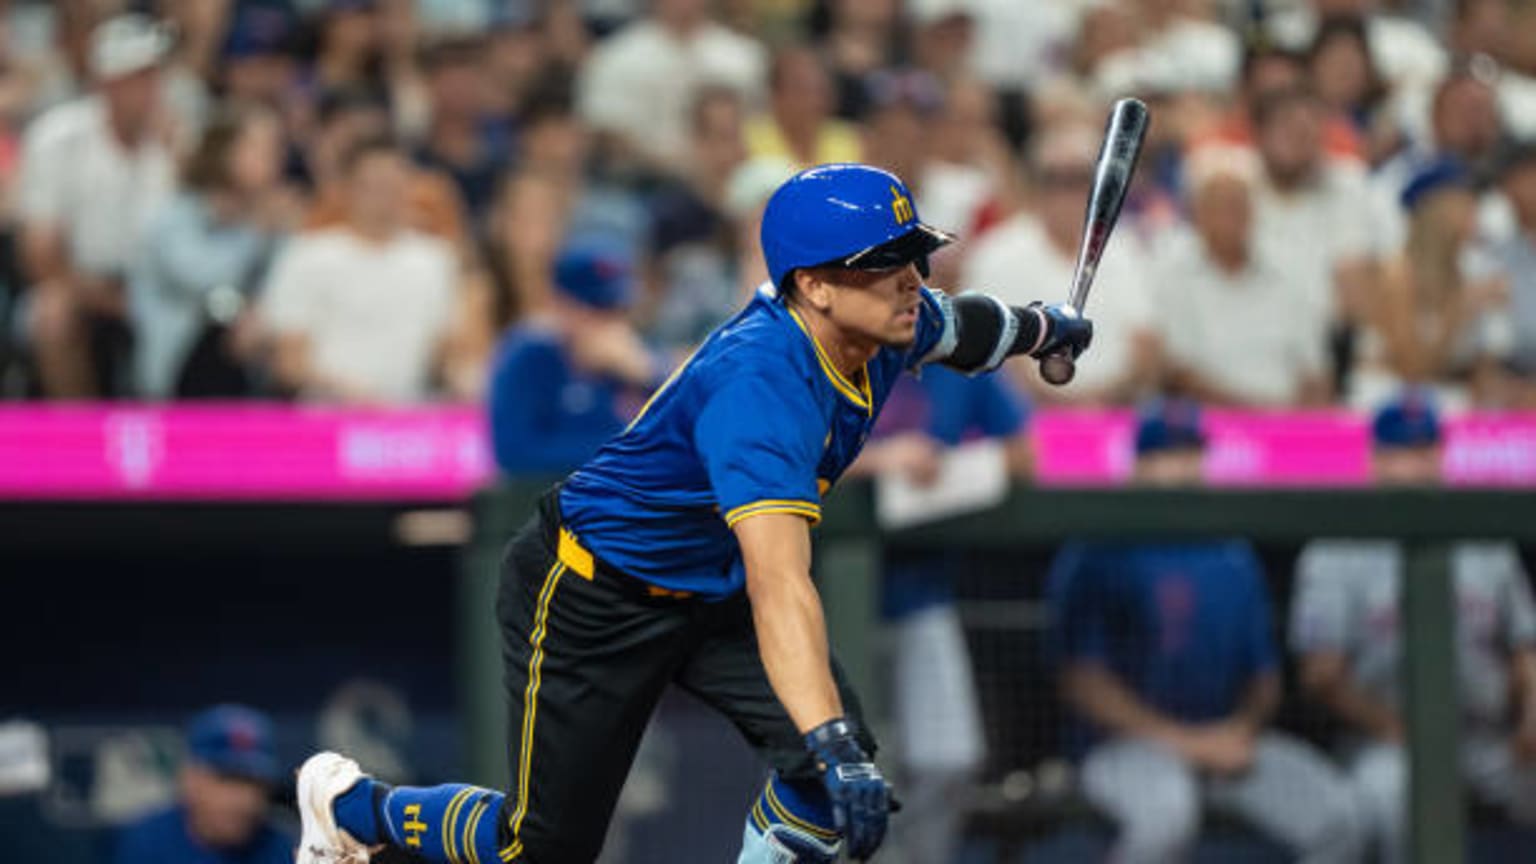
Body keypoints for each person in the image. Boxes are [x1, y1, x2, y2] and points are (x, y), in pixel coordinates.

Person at [293, 162, 1093, 864]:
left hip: (708, 587)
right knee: (538, 848)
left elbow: (968, 326)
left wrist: (1045, 328)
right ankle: (351, 807)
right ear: (813, 285)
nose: (911, 277)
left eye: (914, 256)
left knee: (824, 786)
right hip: (595, 593)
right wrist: (831, 738)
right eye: (883, 265)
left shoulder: (889, 320)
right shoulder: (761, 387)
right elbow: (779, 582)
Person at [1048, 400, 1363, 864]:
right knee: (1167, 818)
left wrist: (1240, 729)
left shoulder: (1231, 553)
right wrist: (1189, 743)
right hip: (1122, 750)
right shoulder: (1098, 549)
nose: (1181, 468)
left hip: (1223, 743)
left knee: (1340, 816)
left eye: (1190, 453)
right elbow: (1082, 682)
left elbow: (1263, 677)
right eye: (1166, 456)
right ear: (1140, 465)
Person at [1290, 393, 1536, 864]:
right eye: (1400, 453)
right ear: (1374, 460)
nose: (1416, 466)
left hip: (1486, 738)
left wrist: (1531, 712)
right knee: (1387, 801)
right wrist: (1401, 729)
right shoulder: (1335, 547)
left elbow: (1526, 642)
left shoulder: (1484, 534)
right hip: (1387, 741)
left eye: (1425, 451)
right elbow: (1320, 676)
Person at [846, 346, 1031, 864]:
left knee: (949, 759)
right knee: (833, 771)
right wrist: (880, 461)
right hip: (817, 600)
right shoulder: (826, 346)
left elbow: (1025, 453)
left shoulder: (960, 349)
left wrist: (947, 471)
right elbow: (774, 451)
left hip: (920, 591)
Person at [17, 12, 177, 397]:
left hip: (154, 287)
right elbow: (40, 254)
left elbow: (182, 241)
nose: (152, 88)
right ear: (108, 82)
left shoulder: (171, 144)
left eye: (155, 75)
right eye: (139, 76)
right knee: (52, 315)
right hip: (78, 284)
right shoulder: (59, 138)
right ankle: (80, 439)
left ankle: (174, 441)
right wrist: (107, 299)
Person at [261, 137, 465, 403]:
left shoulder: (435, 261)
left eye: (395, 185)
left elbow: (445, 352)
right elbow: (289, 363)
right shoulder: (309, 255)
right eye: (374, 186)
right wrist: (345, 390)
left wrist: (460, 374)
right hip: (326, 415)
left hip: (408, 420)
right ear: (348, 188)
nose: (386, 197)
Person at [129, 106, 292, 400]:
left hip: (252, 353)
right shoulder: (175, 216)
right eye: (258, 148)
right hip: (180, 361)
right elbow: (208, 281)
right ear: (224, 152)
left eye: (276, 148)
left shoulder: (273, 219)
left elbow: (287, 285)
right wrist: (257, 233)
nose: (273, 159)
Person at [1153, 147, 1331, 406]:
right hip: (1208, 423)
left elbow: (1314, 370)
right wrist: (1257, 412)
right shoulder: (1173, 273)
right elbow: (1178, 374)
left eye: (1237, 204)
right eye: (1218, 206)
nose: (1229, 217)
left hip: (1288, 420)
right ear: (1197, 213)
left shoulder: (1291, 272)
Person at [487, 240, 664, 475]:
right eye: (596, 308)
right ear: (559, 304)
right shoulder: (528, 357)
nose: (609, 320)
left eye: (617, 309)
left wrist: (649, 377)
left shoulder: (636, 356)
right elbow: (515, 452)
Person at [114, 705, 291, 864]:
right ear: (190, 779)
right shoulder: (148, 843)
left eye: (255, 783)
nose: (244, 799)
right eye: (228, 780)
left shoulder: (281, 851)